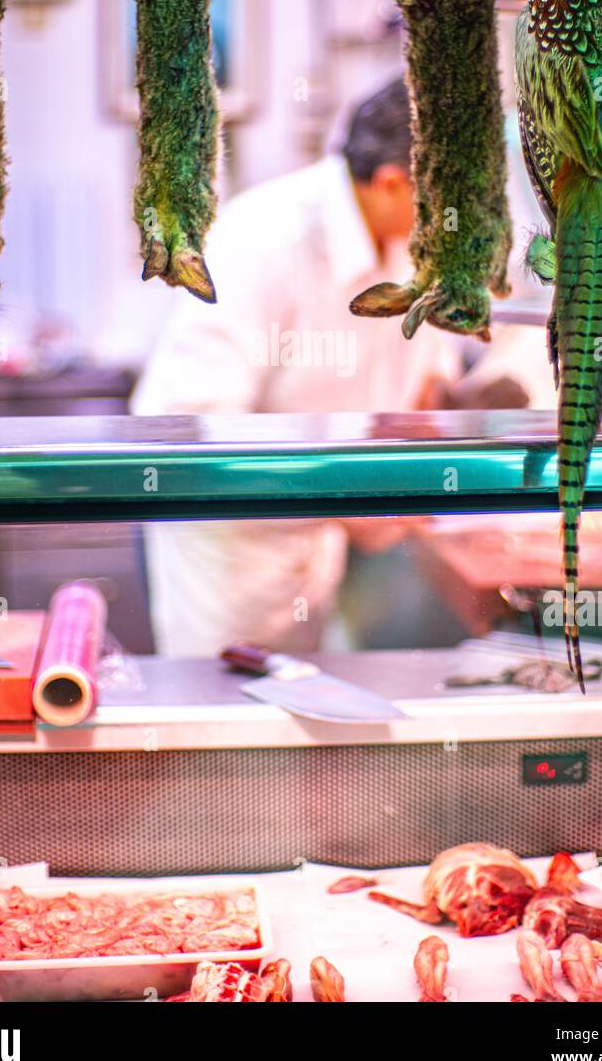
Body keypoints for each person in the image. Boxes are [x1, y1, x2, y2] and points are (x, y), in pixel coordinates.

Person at [131, 78, 526, 655]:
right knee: (229, 730)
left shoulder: (410, 248)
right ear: (394, 184)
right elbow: (180, 426)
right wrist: (352, 470)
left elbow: (424, 390)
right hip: (232, 563)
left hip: (319, 551)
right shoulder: (265, 240)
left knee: (303, 721)